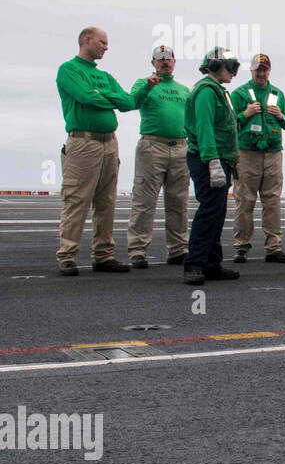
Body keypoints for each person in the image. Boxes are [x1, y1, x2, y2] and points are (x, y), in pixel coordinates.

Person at [55, 26, 136, 275]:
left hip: (109, 143)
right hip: (83, 143)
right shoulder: (68, 69)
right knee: (77, 199)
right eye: (102, 42)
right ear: (87, 40)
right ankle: (67, 256)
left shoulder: (106, 76)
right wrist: (111, 98)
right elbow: (85, 97)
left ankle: (103, 255)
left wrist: (104, 94)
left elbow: (129, 102)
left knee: (107, 201)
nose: (106, 47)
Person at [126, 45, 190, 268]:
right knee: (145, 200)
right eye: (160, 58)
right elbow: (131, 103)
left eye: (169, 58)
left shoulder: (184, 90)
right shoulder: (143, 83)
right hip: (153, 146)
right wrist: (146, 87)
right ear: (152, 62)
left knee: (178, 201)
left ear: (174, 62)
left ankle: (178, 248)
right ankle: (138, 249)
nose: (165, 62)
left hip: (181, 147)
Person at [183, 47, 242, 285]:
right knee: (209, 212)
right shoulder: (207, 91)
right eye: (231, 67)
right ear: (216, 65)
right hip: (209, 159)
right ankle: (195, 264)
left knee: (216, 213)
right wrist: (212, 161)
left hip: (220, 159)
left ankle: (211, 263)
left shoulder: (219, 91)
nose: (234, 73)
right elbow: (204, 128)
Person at [230, 53, 285, 264]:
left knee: (273, 202)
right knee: (244, 201)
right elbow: (227, 124)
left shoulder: (277, 93)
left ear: (270, 70)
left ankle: (273, 247)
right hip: (247, 154)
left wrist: (281, 116)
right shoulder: (239, 94)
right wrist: (245, 114)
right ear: (251, 70)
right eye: (258, 69)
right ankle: (241, 246)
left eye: (265, 69)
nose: (261, 72)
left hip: (273, 153)